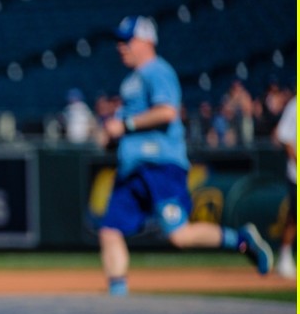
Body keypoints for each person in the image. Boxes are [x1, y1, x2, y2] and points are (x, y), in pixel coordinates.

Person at [96, 16, 272, 296]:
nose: (121, 47)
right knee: (109, 230)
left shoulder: (158, 71)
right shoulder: (131, 81)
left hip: (160, 165)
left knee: (179, 235)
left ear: (146, 41)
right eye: (119, 41)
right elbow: (123, 121)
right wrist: (109, 132)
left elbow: (167, 112)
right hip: (131, 168)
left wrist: (126, 125)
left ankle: (240, 240)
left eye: (126, 40)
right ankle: (119, 299)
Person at [274, 95, 296, 278]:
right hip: (296, 173)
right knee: (294, 216)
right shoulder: (295, 105)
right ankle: (285, 256)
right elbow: (284, 137)